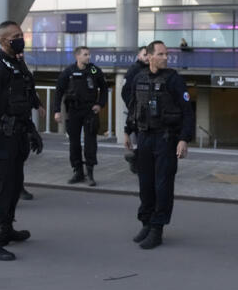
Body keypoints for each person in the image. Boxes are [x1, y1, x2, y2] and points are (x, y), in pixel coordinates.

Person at [0, 21, 44, 261]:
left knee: (14, 186)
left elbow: (22, 103)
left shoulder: (18, 64)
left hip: (17, 136)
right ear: (3, 41)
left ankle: (6, 229)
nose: (20, 38)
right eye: (15, 36)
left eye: (21, 34)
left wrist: (32, 131)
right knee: (0, 188)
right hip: (0, 138)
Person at [123, 41, 194, 249]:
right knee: (145, 184)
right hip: (144, 137)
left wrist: (183, 139)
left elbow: (187, 112)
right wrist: (128, 131)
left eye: (166, 53)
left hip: (166, 138)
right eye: (161, 54)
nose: (165, 57)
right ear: (150, 56)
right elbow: (134, 107)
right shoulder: (139, 77)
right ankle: (146, 223)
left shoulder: (174, 80)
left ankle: (157, 229)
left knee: (162, 186)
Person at [54, 46, 108, 186]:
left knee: (90, 143)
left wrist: (100, 104)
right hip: (73, 111)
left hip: (90, 110)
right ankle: (78, 172)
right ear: (77, 56)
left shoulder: (94, 70)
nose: (88, 57)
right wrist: (57, 111)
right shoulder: (69, 71)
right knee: (74, 143)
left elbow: (104, 89)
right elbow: (59, 91)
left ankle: (90, 173)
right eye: (85, 54)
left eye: (89, 54)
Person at [121, 46, 149, 175]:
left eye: (149, 54)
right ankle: (137, 162)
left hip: (149, 113)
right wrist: (134, 107)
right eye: (145, 54)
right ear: (139, 56)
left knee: (146, 142)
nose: (147, 57)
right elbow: (125, 92)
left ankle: (137, 160)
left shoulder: (152, 70)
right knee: (143, 140)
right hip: (139, 113)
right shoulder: (134, 70)